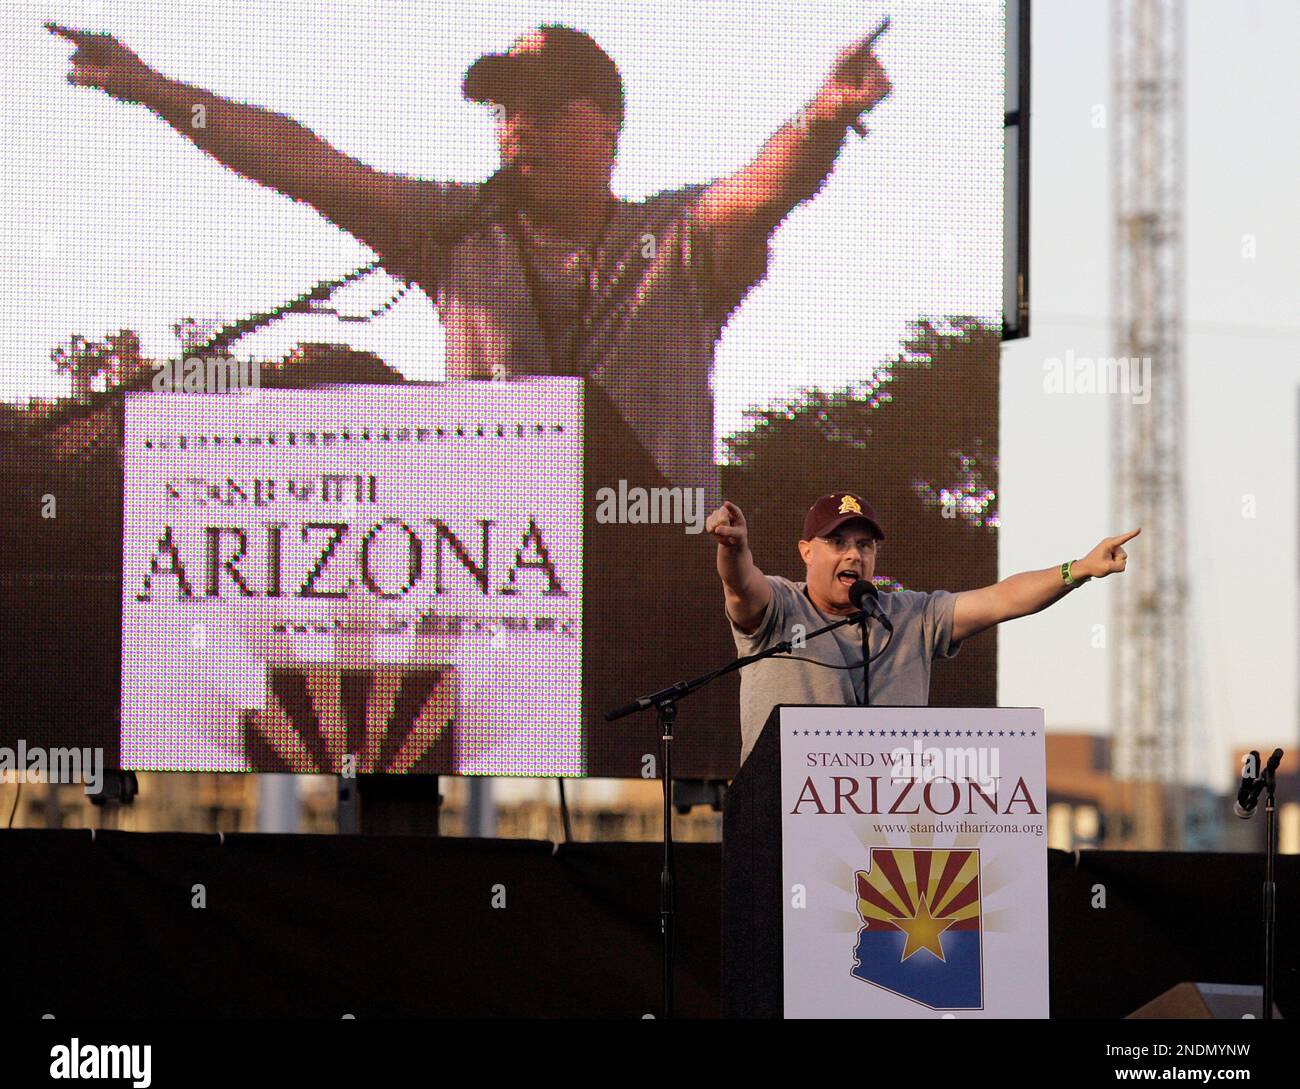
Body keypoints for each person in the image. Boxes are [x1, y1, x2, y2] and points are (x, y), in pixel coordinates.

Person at [47, 21, 893, 504]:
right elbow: (305, 163)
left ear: (607, 126)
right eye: (503, 111)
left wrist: (822, 117)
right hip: (494, 580)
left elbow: (758, 192)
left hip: (652, 578)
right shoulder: (458, 229)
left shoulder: (675, 237)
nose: (516, 126)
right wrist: (156, 90)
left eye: (543, 108)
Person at [706, 493, 1141, 765]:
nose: (853, 556)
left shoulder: (910, 615)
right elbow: (741, 587)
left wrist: (1079, 569)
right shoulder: (782, 604)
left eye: (864, 545)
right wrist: (735, 547)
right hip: (784, 815)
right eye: (838, 543)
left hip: (888, 819)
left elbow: (1002, 599)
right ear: (806, 552)